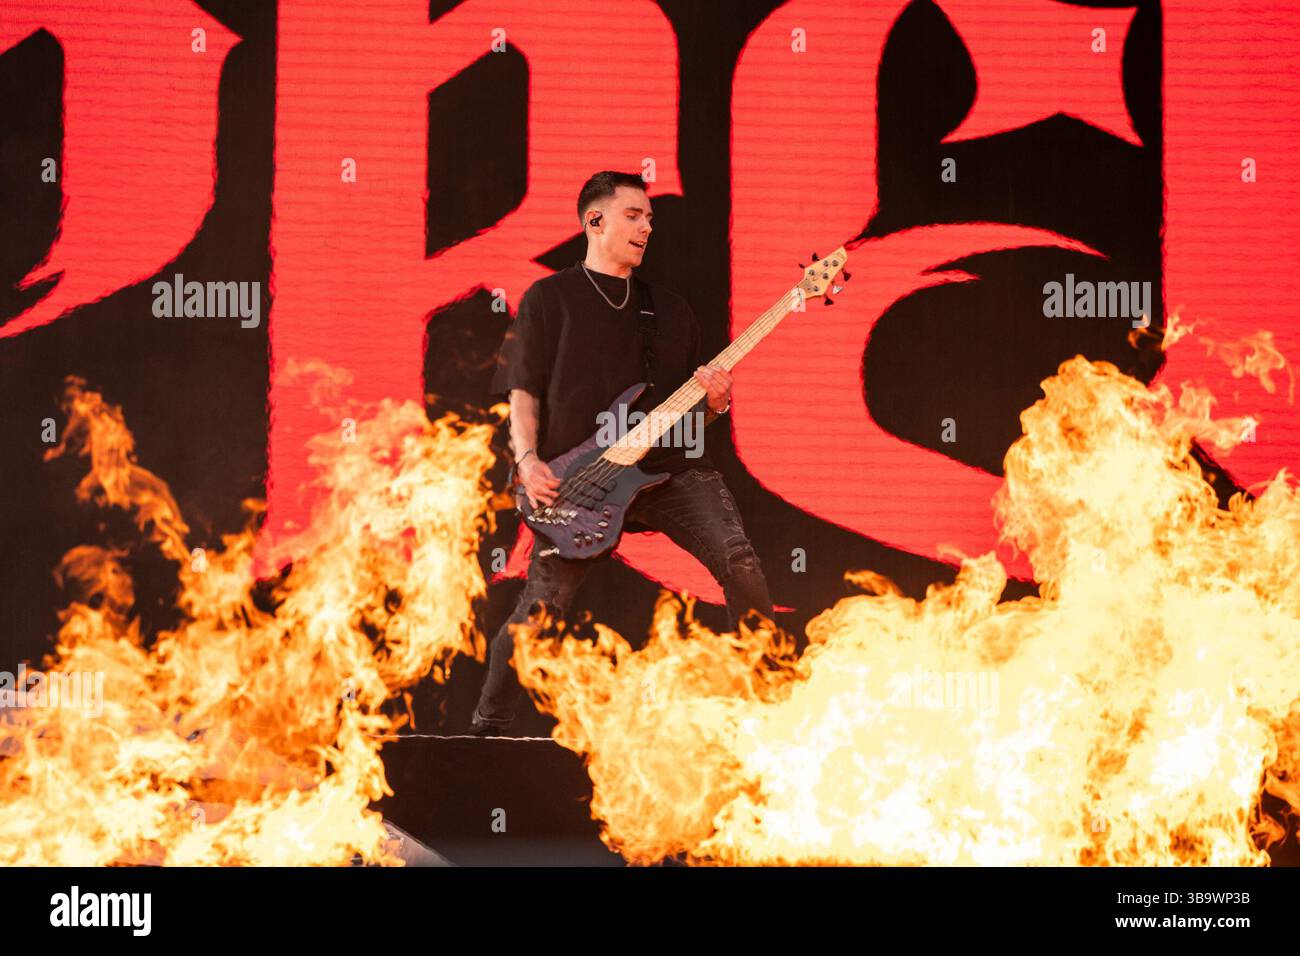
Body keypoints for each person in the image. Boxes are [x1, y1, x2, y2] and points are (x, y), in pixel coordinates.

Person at [467, 171, 774, 735]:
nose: (647, 227)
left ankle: (766, 705)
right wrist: (529, 460)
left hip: (665, 472)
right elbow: (522, 390)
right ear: (594, 221)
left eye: (650, 218)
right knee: (538, 614)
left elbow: (690, 412)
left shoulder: (671, 310)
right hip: (579, 481)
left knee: (742, 565)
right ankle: (487, 728)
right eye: (634, 215)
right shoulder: (549, 299)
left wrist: (716, 403)